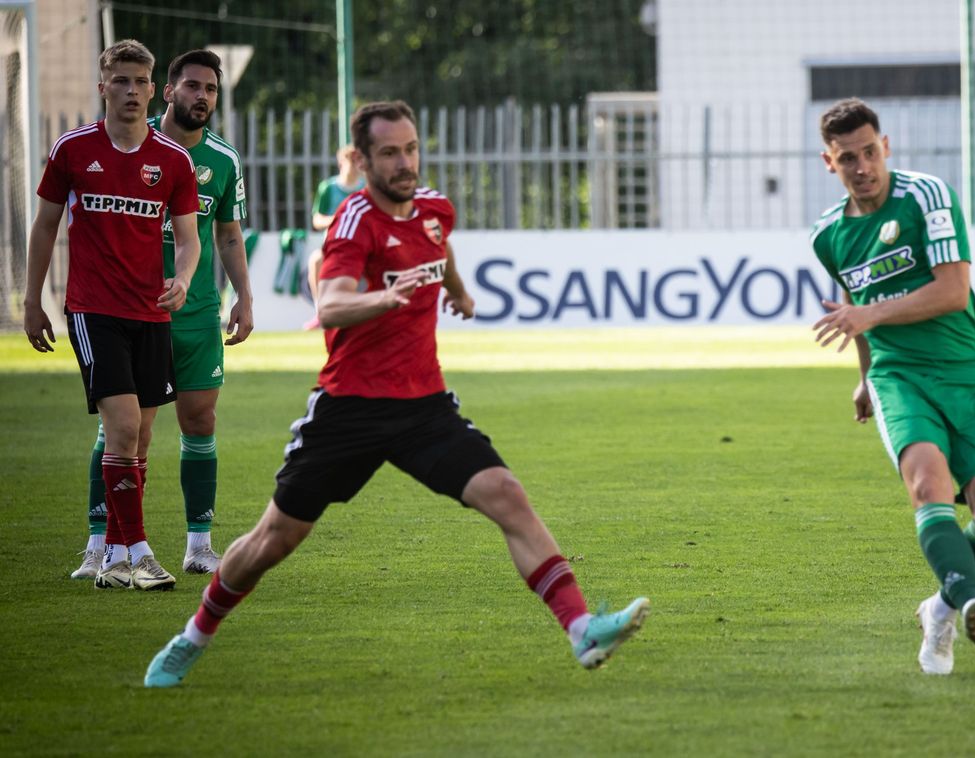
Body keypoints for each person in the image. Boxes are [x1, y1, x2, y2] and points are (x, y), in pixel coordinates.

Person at [144, 100, 649, 687]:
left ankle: (581, 628)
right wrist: (382, 298)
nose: (404, 162)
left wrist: (456, 290)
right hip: (349, 408)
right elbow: (329, 302)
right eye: (389, 152)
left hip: (422, 406)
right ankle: (193, 635)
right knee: (273, 540)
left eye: (410, 149)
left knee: (506, 493)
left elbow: (441, 246)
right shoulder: (354, 221)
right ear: (362, 159)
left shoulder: (435, 209)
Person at [809, 98, 975, 675]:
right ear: (829, 162)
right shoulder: (828, 234)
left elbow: (952, 292)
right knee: (929, 485)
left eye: (869, 152)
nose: (862, 166)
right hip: (897, 378)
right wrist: (863, 379)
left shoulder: (927, 196)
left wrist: (870, 317)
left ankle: (942, 609)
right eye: (846, 157)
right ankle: (973, 603)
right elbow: (854, 299)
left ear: (886, 147)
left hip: (966, 370)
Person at [69, 49, 253, 581]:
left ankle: (199, 544)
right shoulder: (133, 142)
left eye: (211, 89)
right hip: (131, 310)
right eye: (192, 86)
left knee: (200, 421)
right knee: (125, 432)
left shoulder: (224, 161)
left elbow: (228, 234)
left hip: (196, 315)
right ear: (166, 91)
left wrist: (243, 295)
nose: (202, 97)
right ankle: (100, 544)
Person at [24, 39, 200, 592]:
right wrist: (32, 302)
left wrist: (184, 279)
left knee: (141, 440)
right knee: (121, 428)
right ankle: (142, 555)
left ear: (154, 89)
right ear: (103, 86)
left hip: (150, 313)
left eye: (140, 81)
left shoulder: (174, 161)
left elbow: (190, 241)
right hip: (93, 310)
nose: (130, 90)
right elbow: (45, 227)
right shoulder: (73, 150)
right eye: (119, 80)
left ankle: (114, 557)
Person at [302, 144, 364, 329]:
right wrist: (336, 220)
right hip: (334, 245)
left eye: (357, 160)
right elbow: (317, 219)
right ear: (340, 163)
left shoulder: (366, 188)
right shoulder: (328, 188)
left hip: (361, 244)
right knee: (315, 261)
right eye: (350, 160)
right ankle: (321, 311)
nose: (354, 165)